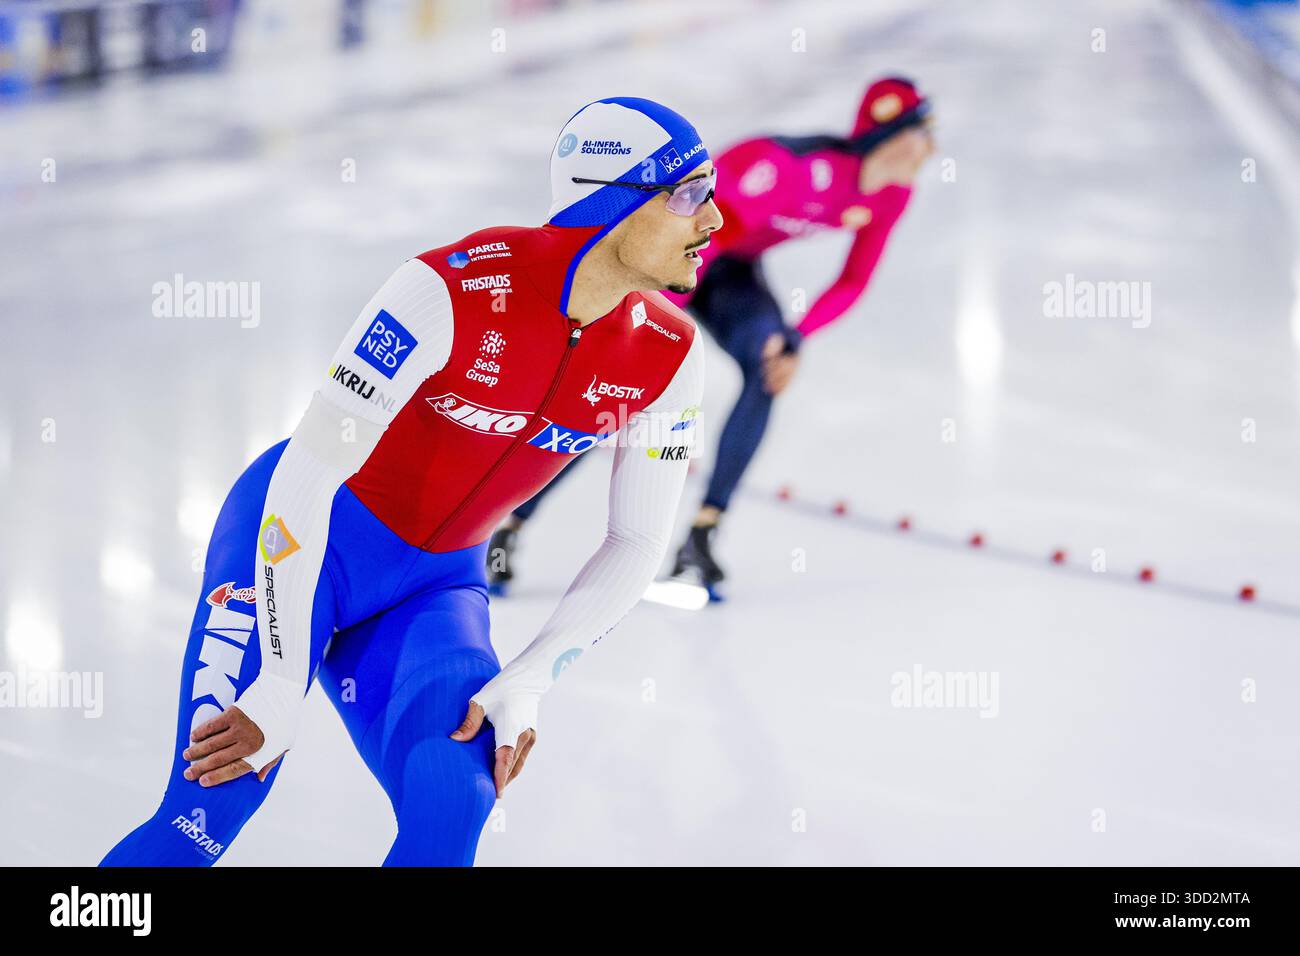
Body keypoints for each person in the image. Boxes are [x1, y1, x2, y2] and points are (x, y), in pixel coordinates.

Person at [99, 96, 720, 867]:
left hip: (432, 591)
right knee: (204, 818)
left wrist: (530, 677)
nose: (715, 219)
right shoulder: (449, 288)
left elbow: (635, 540)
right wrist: (281, 678)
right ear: (612, 200)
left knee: (452, 804)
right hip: (300, 545)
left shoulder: (669, 354)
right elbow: (309, 471)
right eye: (691, 192)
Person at [486, 77, 933, 600]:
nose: (928, 149)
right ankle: (507, 526)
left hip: (732, 271)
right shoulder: (787, 168)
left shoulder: (893, 194)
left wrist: (794, 338)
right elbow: (702, 234)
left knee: (769, 366)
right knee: (613, 385)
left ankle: (702, 536)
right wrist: (649, 321)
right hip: (673, 254)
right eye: (918, 134)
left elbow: (853, 281)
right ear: (887, 137)